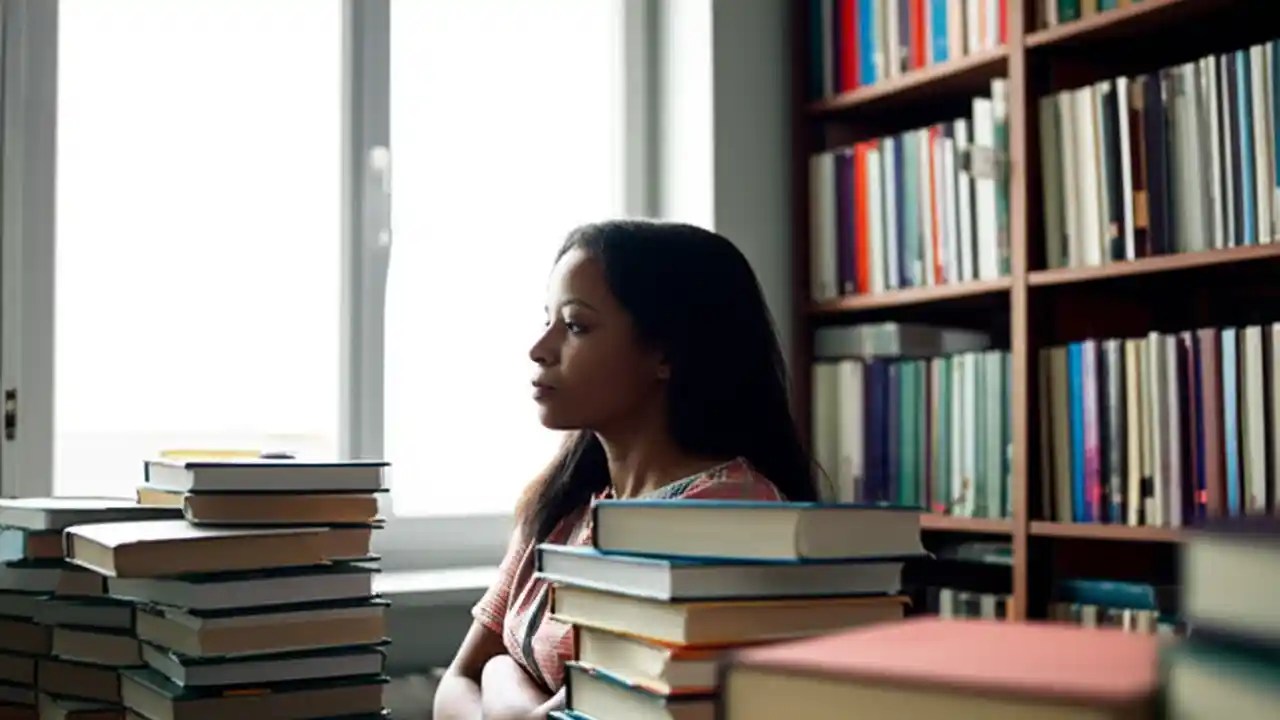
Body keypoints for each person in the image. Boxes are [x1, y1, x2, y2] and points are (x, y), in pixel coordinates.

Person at [432, 219, 823, 720]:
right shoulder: (562, 503)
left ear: (665, 353)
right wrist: (495, 677)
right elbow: (456, 682)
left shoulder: (724, 514)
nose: (540, 348)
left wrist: (501, 674)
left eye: (575, 326)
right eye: (547, 319)